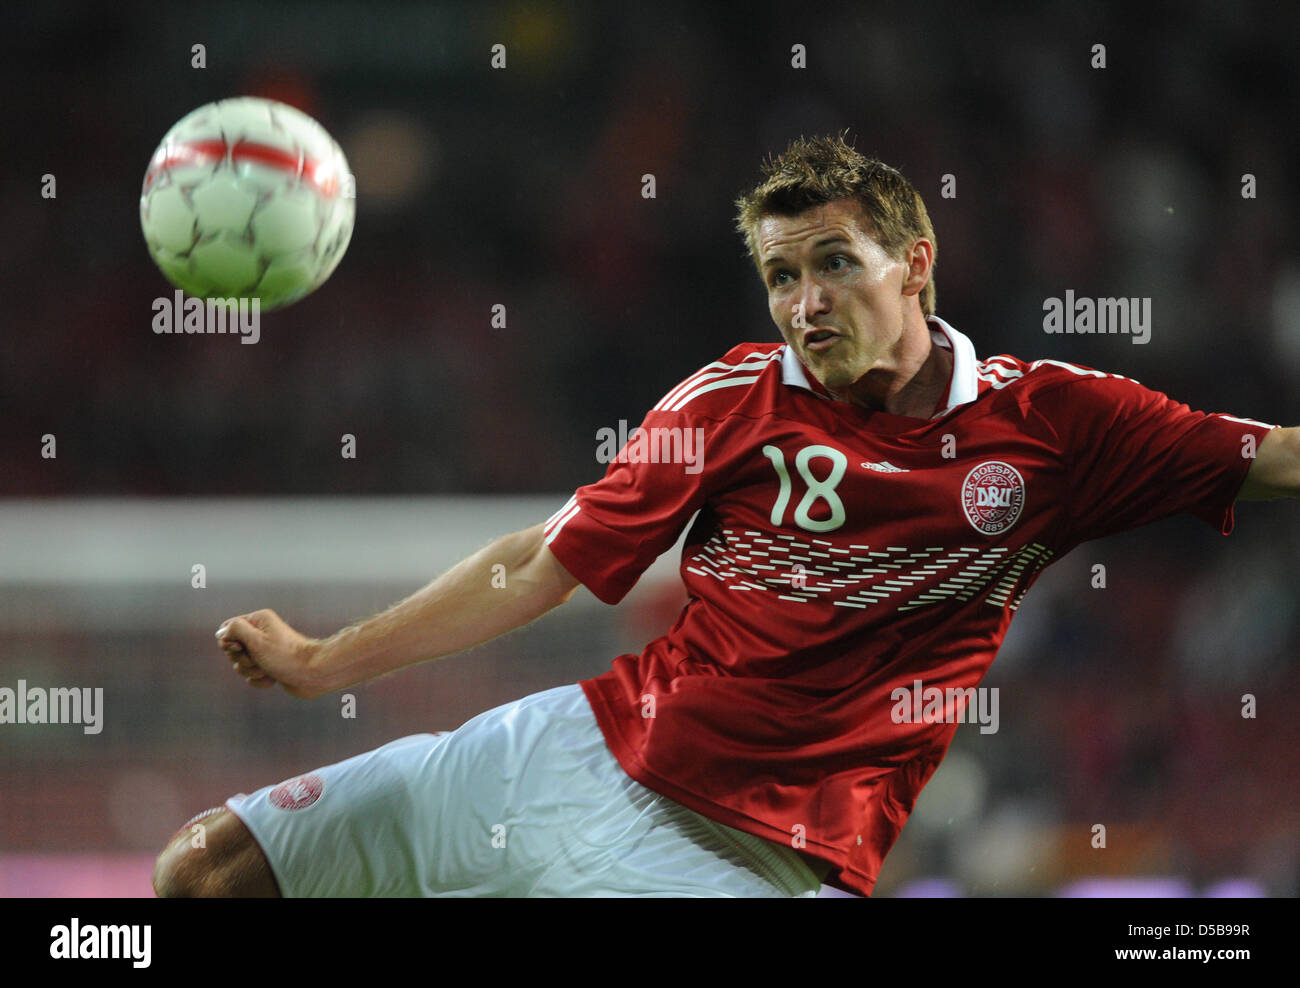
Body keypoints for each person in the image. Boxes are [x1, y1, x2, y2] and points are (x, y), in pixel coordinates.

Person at [152, 134, 1296, 898]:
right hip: (589, 748)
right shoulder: (733, 396)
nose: (805, 302)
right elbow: (537, 567)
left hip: (756, 859)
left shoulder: (1056, 425)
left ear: (916, 265)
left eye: (833, 264)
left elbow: (1276, 459)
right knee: (205, 871)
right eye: (781, 273)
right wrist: (321, 659)